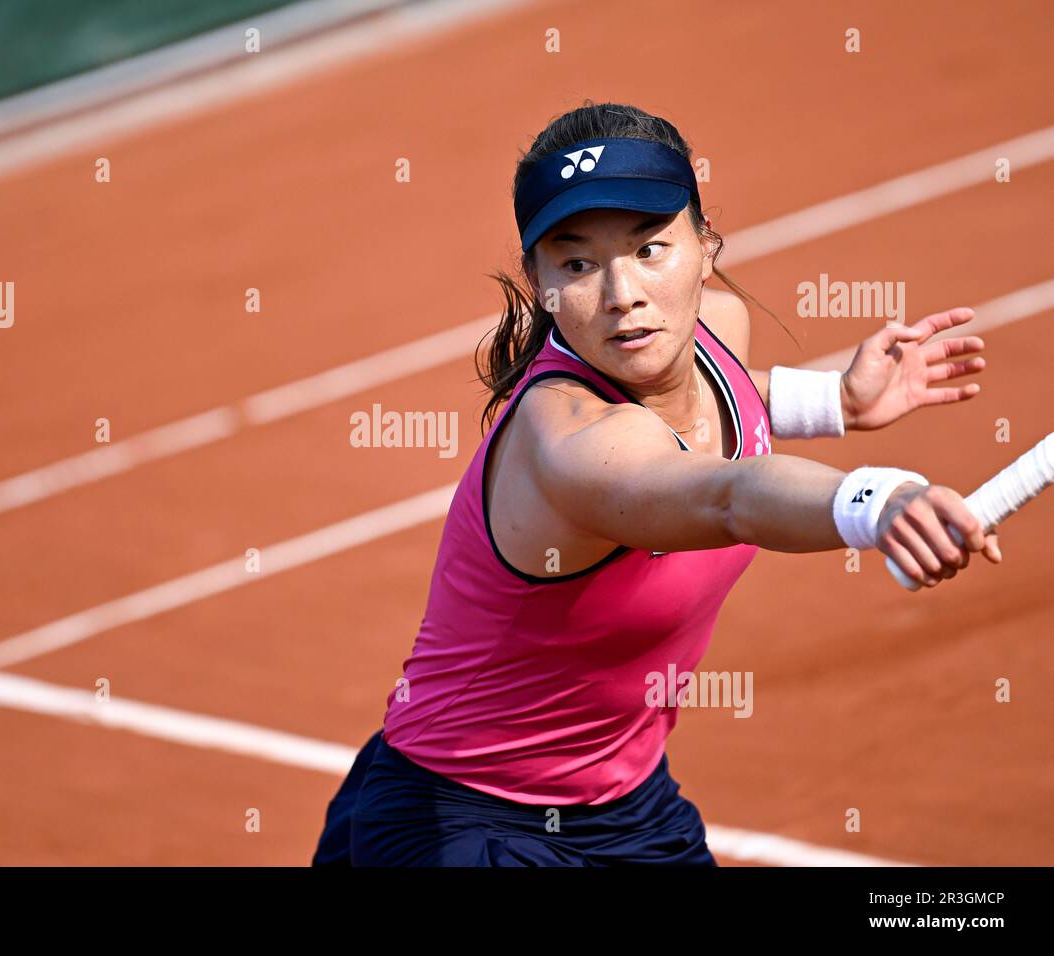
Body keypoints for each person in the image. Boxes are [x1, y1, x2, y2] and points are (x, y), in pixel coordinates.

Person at [311, 101, 1000, 867]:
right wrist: (877, 502)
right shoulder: (574, 440)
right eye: (576, 264)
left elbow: (723, 394)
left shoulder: (717, 328)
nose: (621, 294)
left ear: (705, 246)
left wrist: (834, 400)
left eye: (650, 249)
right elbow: (726, 495)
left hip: (629, 807)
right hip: (465, 825)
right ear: (536, 282)